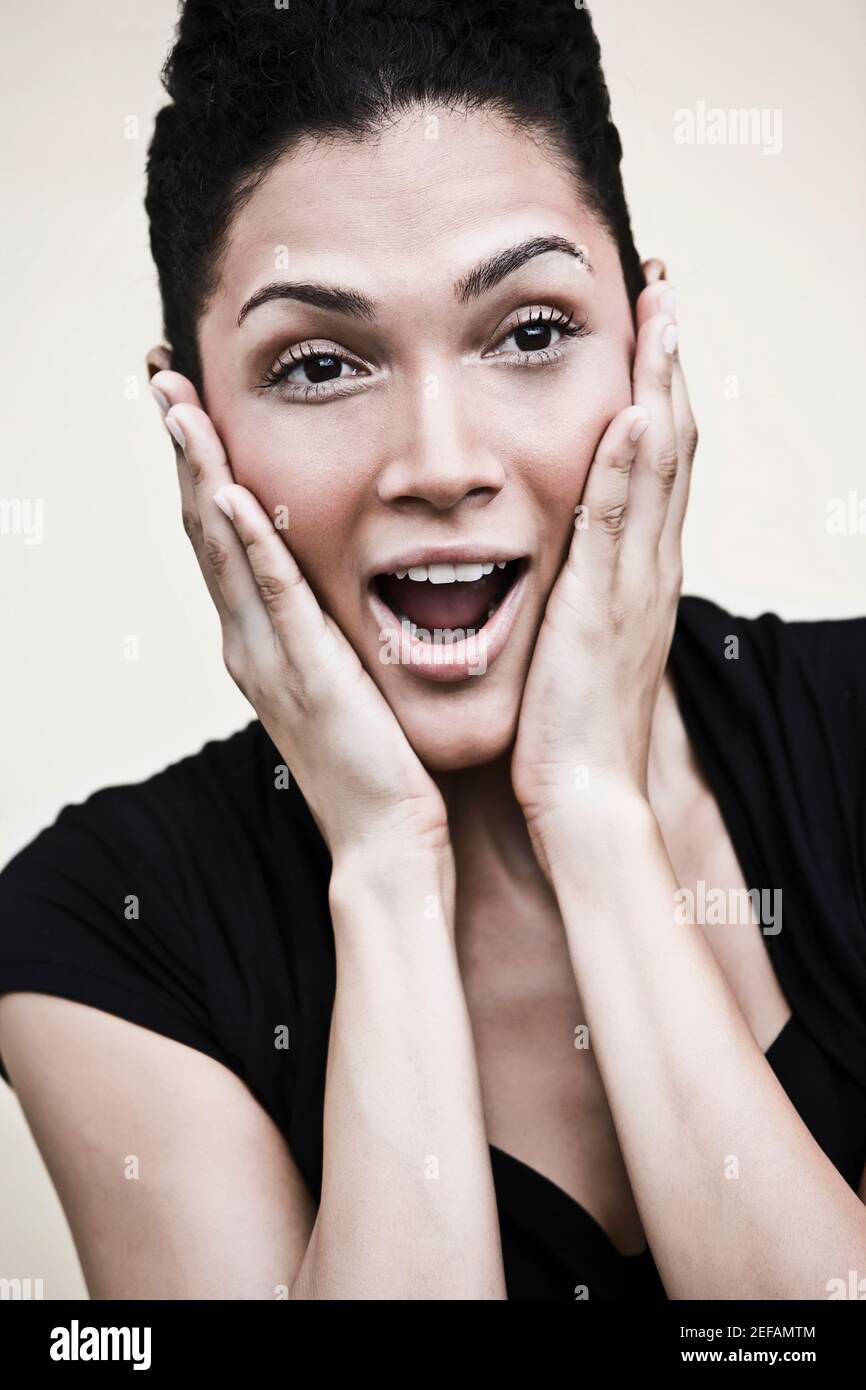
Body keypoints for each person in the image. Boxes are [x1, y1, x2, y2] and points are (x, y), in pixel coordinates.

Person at [1, 0, 865, 1302]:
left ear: (646, 345)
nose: (442, 463)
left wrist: (591, 814)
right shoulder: (104, 935)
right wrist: (388, 874)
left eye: (528, 330)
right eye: (315, 365)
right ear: (194, 428)